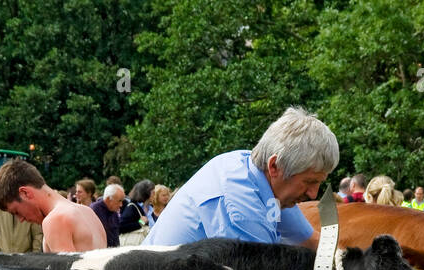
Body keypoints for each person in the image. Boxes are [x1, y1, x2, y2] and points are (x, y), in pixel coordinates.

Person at [144, 106, 338, 247]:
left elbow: (309, 241)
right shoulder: (240, 213)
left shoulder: (258, 173)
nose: (313, 194)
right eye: (309, 182)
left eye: (319, 183)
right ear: (274, 166)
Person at [0, 159, 106, 253]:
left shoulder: (55, 220)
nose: (21, 219)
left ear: (25, 193)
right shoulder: (88, 212)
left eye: (16, 212)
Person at [90, 182, 124, 247]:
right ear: (108, 199)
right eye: (119, 201)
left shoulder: (113, 211)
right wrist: (141, 222)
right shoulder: (95, 210)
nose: (121, 205)